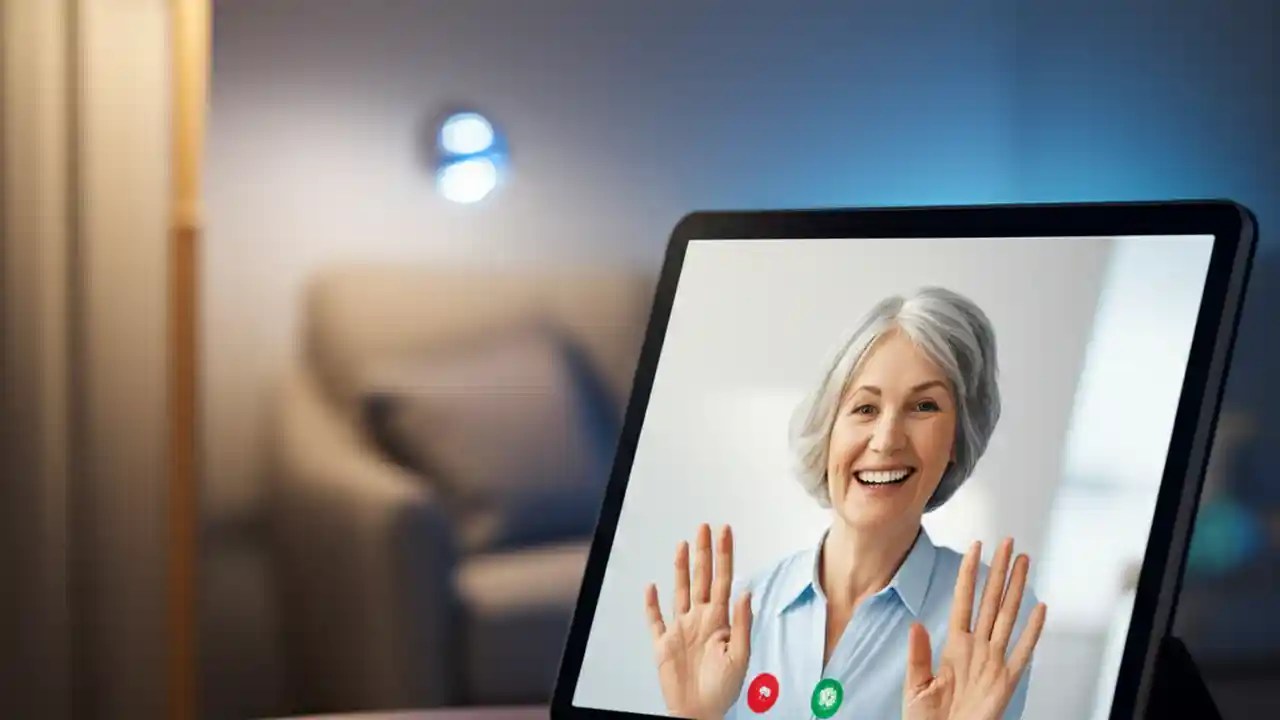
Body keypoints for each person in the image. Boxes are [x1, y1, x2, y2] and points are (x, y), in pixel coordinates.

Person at [642, 287, 1048, 720]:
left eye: (924, 406)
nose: (887, 439)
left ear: (957, 438)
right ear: (830, 427)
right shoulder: (742, 611)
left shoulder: (986, 623)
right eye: (865, 409)